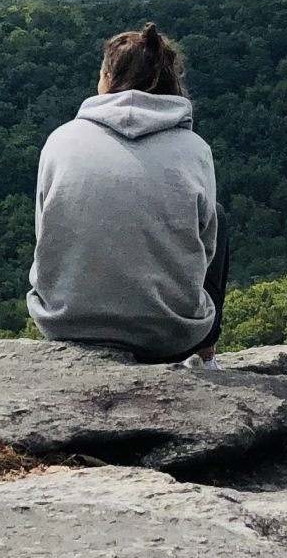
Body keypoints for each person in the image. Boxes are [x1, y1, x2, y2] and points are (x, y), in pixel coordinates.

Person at [26, 23, 229, 366]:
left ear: (107, 77)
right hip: (170, 336)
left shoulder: (61, 141)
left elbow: (45, 234)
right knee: (218, 217)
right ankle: (205, 355)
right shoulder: (195, 150)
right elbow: (204, 248)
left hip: (66, 326)